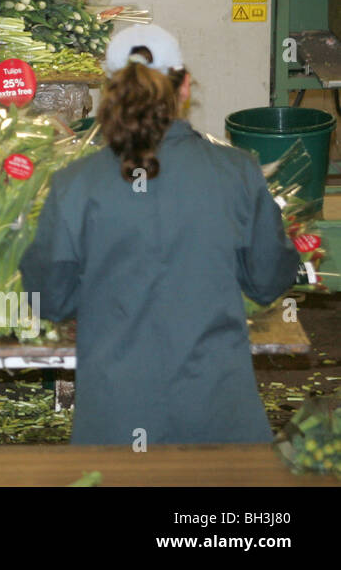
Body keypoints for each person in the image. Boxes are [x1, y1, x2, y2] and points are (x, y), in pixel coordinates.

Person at [20, 25, 299, 445]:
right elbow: (267, 281)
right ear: (184, 86)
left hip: (115, 419)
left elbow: (49, 300)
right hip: (219, 416)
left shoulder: (73, 184)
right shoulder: (237, 172)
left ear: (111, 92)